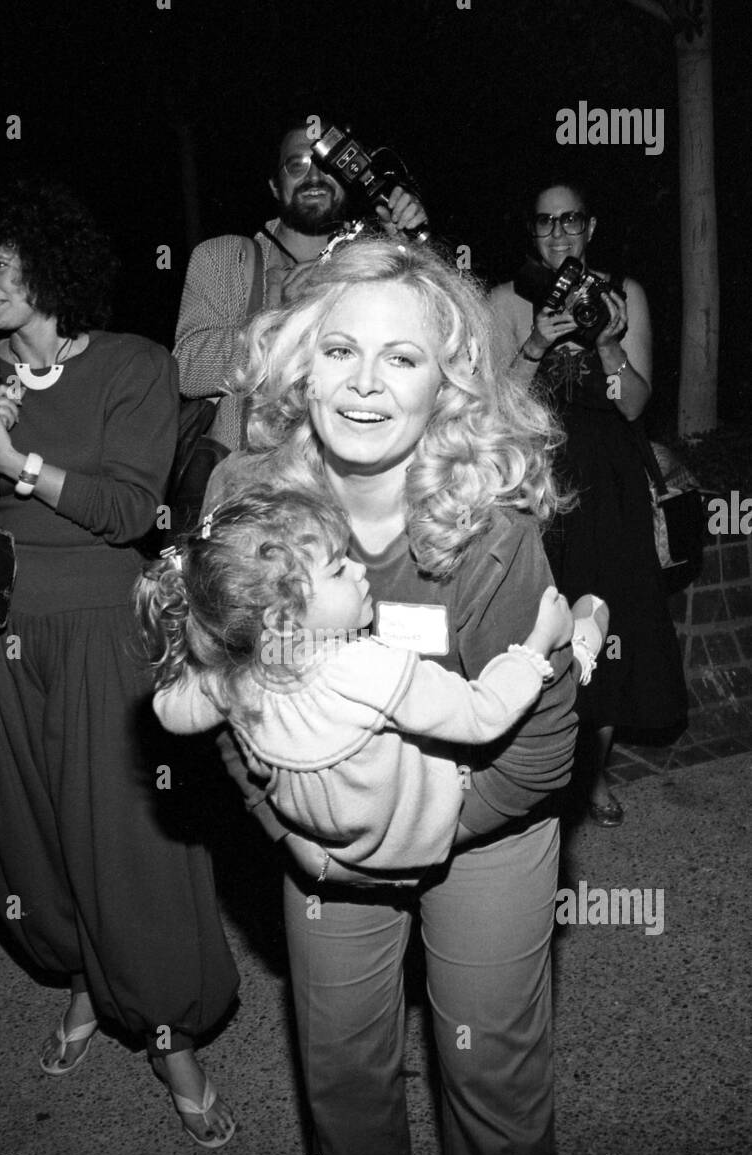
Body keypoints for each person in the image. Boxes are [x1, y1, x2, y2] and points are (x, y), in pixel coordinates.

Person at [194, 231, 580, 1155]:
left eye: (401, 359)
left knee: (491, 1089)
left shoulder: (491, 527)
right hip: (319, 832)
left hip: (484, 821)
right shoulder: (245, 501)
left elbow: (541, 745)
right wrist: (297, 833)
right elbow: (225, 694)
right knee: (346, 1092)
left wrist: (408, 834)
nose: (365, 385)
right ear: (295, 362)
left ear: (445, 383)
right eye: (339, 352)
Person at [0, 181, 238, 1148]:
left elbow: (134, 511)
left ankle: (168, 1025)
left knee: (124, 833)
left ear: (53, 266)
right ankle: (93, 983)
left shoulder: (134, 364)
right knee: (28, 833)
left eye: (0, 263)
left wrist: (15, 460)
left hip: (103, 630)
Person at [138, 489, 607, 883]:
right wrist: (539, 642)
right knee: (563, 639)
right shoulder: (365, 668)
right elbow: (484, 713)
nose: (360, 571)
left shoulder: (232, 675)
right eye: (340, 569)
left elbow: (167, 711)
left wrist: (208, 648)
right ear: (283, 619)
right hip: (416, 836)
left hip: (331, 844)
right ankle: (582, 645)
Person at [490, 179, 686, 825]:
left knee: (607, 635)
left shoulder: (624, 296)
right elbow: (495, 414)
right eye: (545, 223)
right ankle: (538, 779)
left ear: (591, 226)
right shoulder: (506, 302)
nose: (558, 233)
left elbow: (634, 403)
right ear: (533, 233)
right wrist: (538, 343)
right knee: (536, 635)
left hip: (610, 491)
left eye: (570, 219)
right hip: (534, 491)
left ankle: (593, 779)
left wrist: (607, 342)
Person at [173, 120, 428, 451]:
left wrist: (411, 250)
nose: (313, 178)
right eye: (297, 166)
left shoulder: (374, 264)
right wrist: (284, 318)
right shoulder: (224, 257)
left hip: (349, 478)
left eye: (326, 167)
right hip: (251, 481)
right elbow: (187, 369)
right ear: (275, 186)